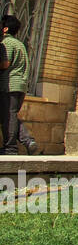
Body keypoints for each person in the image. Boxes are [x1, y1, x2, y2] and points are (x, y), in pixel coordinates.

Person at [1, 15, 35, 155]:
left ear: (5, 28)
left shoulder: (7, 43)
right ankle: (28, 140)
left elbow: (5, 63)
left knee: (8, 116)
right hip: (20, 85)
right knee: (8, 115)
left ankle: (11, 148)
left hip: (9, 85)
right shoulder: (20, 44)